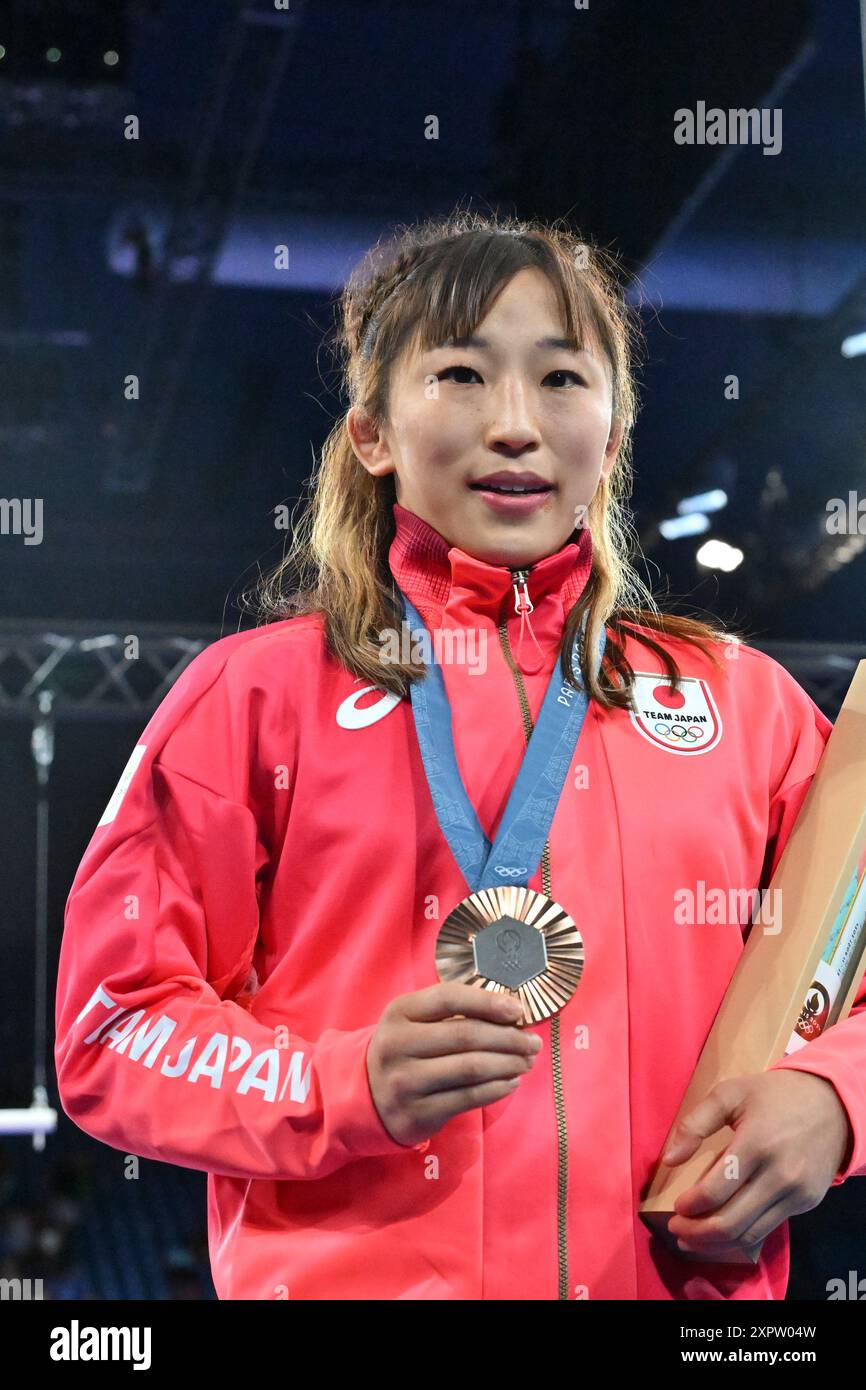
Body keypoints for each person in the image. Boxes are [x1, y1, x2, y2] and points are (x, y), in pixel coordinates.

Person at [54, 209, 866, 1301]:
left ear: (612, 440)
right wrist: (339, 1084)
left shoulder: (743, 705)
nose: (516, 425)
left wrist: (834, 1095)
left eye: (562, 379)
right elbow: (115, 1025)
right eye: (460, 374)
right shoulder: (254, 698)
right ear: (372, 435)